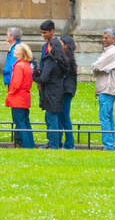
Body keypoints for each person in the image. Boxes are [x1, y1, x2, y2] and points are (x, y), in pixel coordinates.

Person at [33, 21, 68, 149]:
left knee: (52, 117)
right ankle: (54, 142)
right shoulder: (50, 52)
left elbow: (45, 75)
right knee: (51, 117)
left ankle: (54, 144)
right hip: (52, 87)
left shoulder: (53, 57)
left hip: (52, 88)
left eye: (45, 32)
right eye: (42, 32)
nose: (43, 35)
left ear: (52, 31)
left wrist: (36, 76)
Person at [90, 29, 115, 150]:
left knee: (104, 117)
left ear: (113, 39)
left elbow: (96, 65)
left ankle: (108, 145)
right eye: (103, 37)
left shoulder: (111, 52)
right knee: (108, 116)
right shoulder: (109, 51)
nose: (103, 40)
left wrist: (94, 68)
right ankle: (109, 144)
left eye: (106, 38)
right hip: (108, 88)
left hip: (107, 88)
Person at [6, 41, 34, 148]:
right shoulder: (27, 65)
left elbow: (16, 84)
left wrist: (10, 92)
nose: (14, 51)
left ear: (22, 53)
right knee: (25, 122)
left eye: (16, 50)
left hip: (18, 98)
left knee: (20, 122)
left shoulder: (19, 66)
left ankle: (26, 145)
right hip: (25, 97)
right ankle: (29, 143)